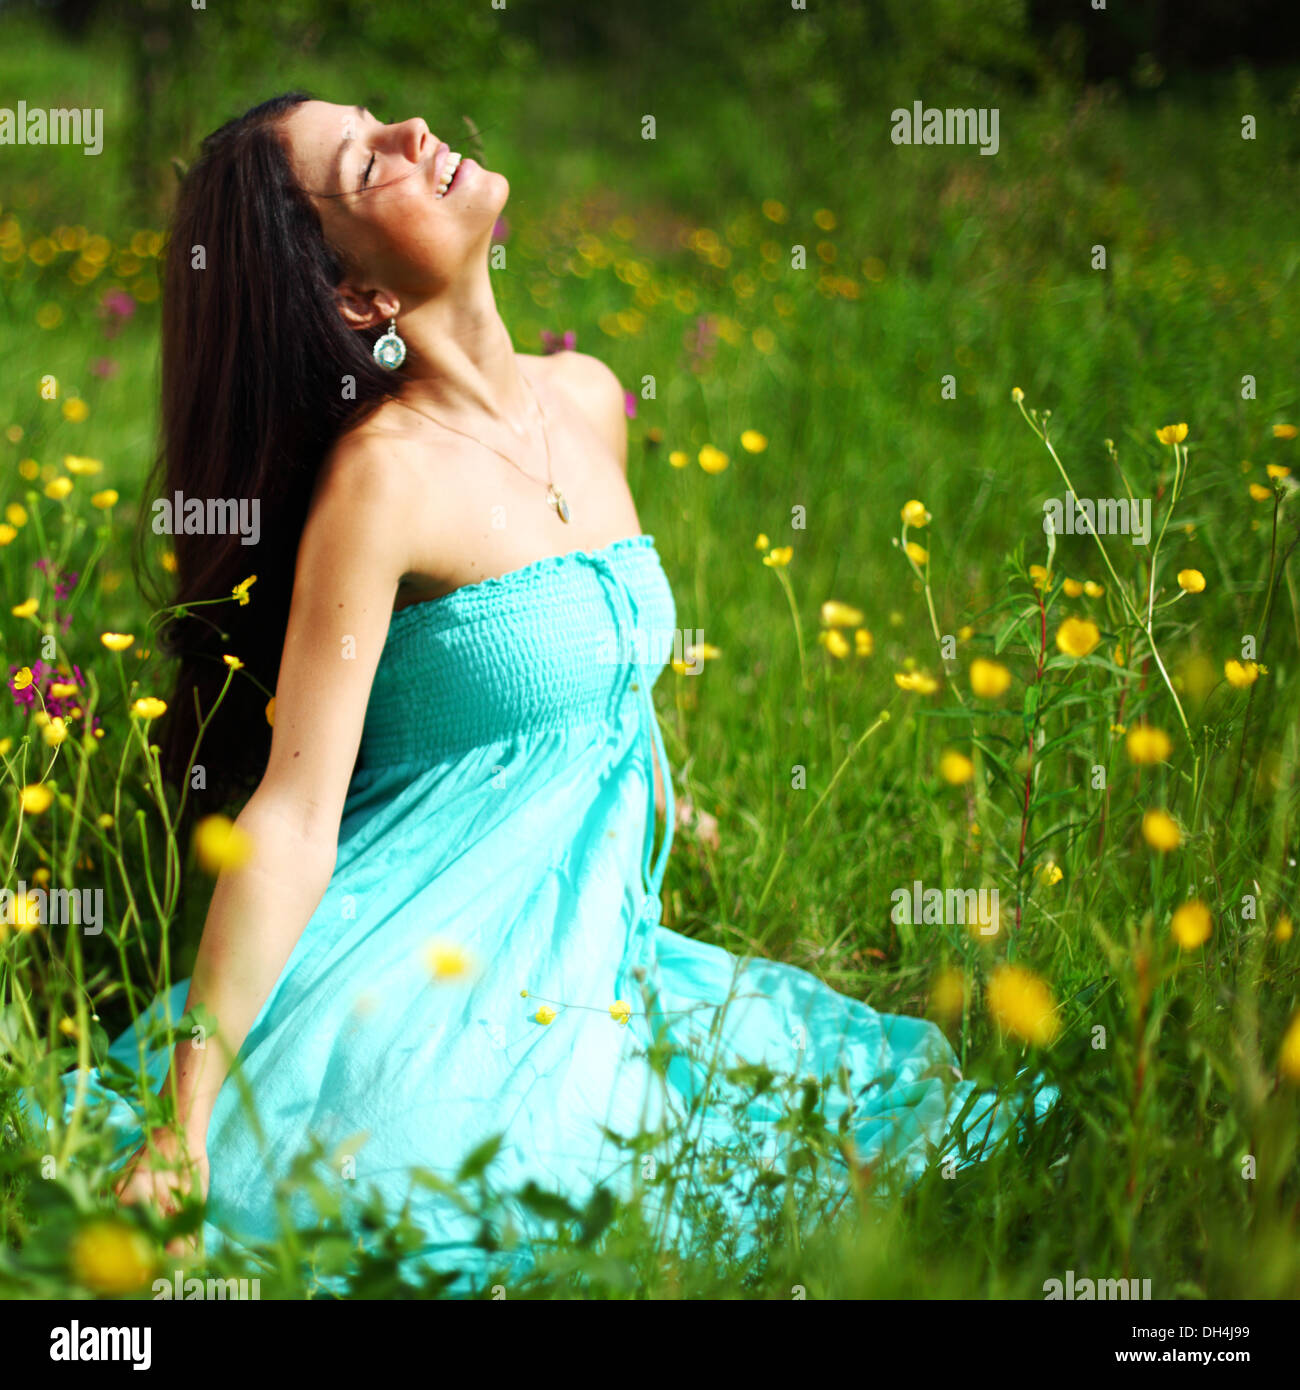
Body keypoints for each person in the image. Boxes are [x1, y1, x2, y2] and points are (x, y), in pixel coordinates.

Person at [40, 94, 1052, 1287]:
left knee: (820, 1111)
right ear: (356, 299)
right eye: (371, 161)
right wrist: (183, 1126)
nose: (418, 130)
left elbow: (595, 662)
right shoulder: (383, 487)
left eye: (383, 118)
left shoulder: (584, 397)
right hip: (420, 962)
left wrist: (668, 800)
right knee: (513, 1190)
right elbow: (297, 817)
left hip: (579, 938)